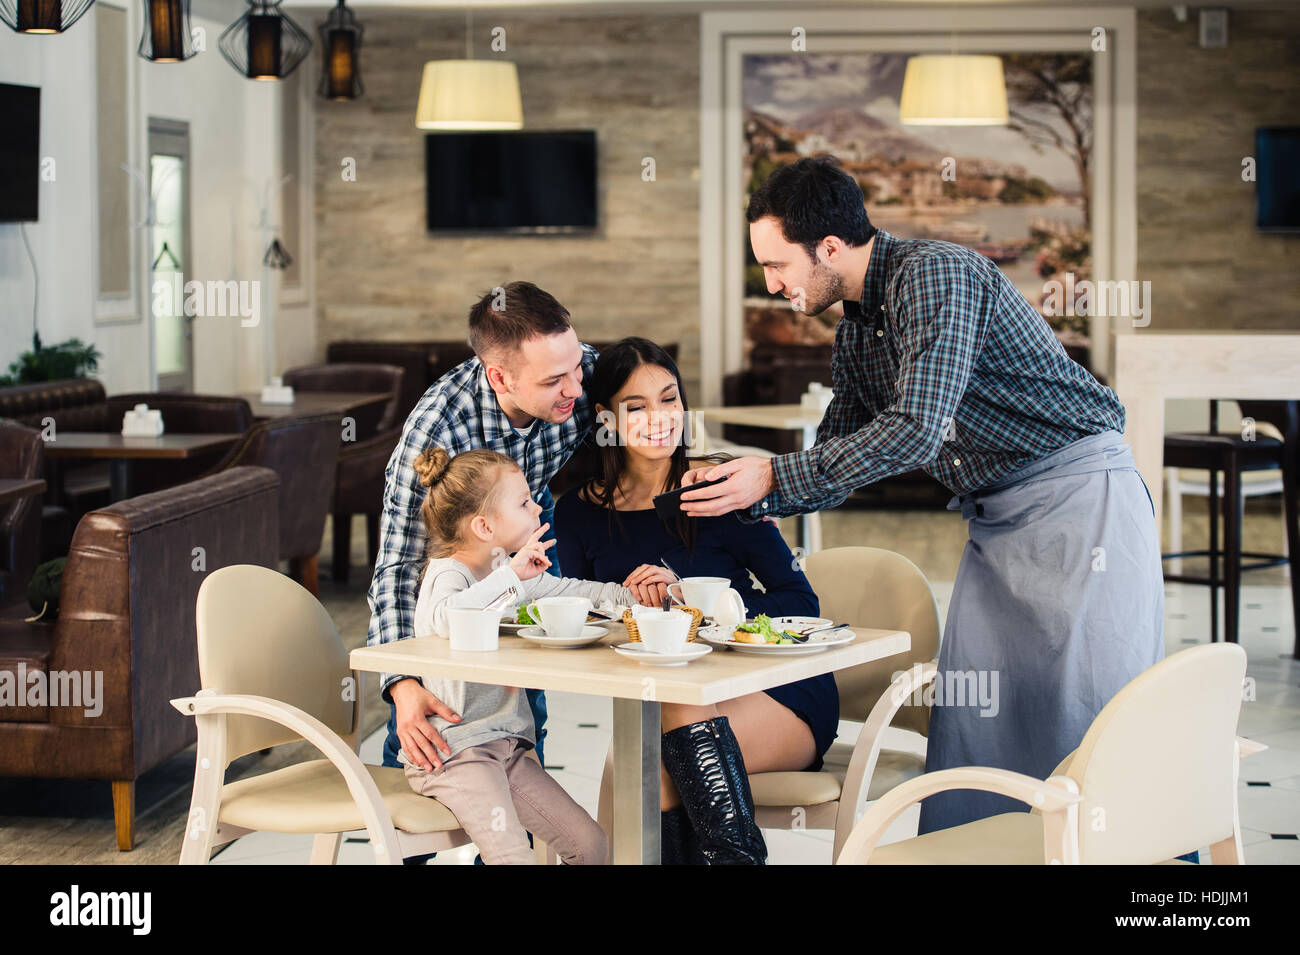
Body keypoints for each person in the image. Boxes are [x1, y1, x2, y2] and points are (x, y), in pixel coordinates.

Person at [679, 156, 1164, 836]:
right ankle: (988, 857)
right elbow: (834, 459)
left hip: (1083, 503)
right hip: (997, 521)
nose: (772, 284)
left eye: (777, 265)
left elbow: (914, 431)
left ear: (829, 247)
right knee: (979, 721)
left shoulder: (935, 274)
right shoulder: (854, 329)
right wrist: (738, 482)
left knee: (1086, 710)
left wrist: (773, 476)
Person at [554, 337, 839, 865]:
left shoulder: (721, 487)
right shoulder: (577, 512)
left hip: (777, 692)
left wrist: (694, 602)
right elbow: (582, 622)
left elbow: (800, 601)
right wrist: (629, 607)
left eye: (669, 399)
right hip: (663, 707)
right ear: (606, 418)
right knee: (637, 759)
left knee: (647, 758)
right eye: (636, 407)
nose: (660, 417)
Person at [367, 282, 594, 788]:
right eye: (555, 380)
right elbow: (400, 567)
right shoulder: (436, 432)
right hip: (453, 555)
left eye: (576, 367)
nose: (576, 389)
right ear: (499, 377)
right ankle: (402, 838)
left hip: (529, 519)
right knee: (436, 708)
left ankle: (505, 836)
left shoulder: (582, 370)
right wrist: (402, 684)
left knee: (524, 701)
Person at [401, 446, 635, 864]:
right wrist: (513, 575)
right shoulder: (447, 572)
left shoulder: (507, 573)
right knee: (515, 859)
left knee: (590, 846)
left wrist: (639, 597)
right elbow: (450, 619)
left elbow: (576, 592)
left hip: (506, 749)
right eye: (524, 502)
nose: (536, 509)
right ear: (484, 526)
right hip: (456, 753)